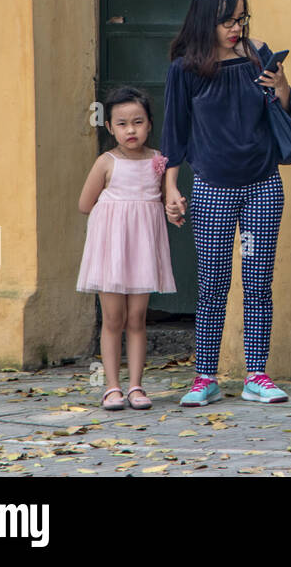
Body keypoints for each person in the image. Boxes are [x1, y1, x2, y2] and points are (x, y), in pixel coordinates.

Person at [161, 0, 291, 406]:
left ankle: (257, 374)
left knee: (258, 282)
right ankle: (205, 377)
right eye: (226, 21)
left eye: (241, 19)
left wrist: (282, 88)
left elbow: (287, 109)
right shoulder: (185, 69)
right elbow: (174, 134)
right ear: (206, 20)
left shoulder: (260, 56)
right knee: (213, 283)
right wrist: (171, 189)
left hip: (263, 185)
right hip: (212, 187)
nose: (236, 28)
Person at [77, 87, 180, 411]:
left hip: (142, 250)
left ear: (150, 124)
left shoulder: (158, 161)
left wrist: (174, 210)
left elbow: (166, 201)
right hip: (111, 249)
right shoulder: (106, 162)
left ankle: (136, 386)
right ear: (109, 127)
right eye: (121, 123)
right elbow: (85, 204)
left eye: (138, 121)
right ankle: (111, 387)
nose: (130, 130)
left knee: (137, 318)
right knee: (113, 318)